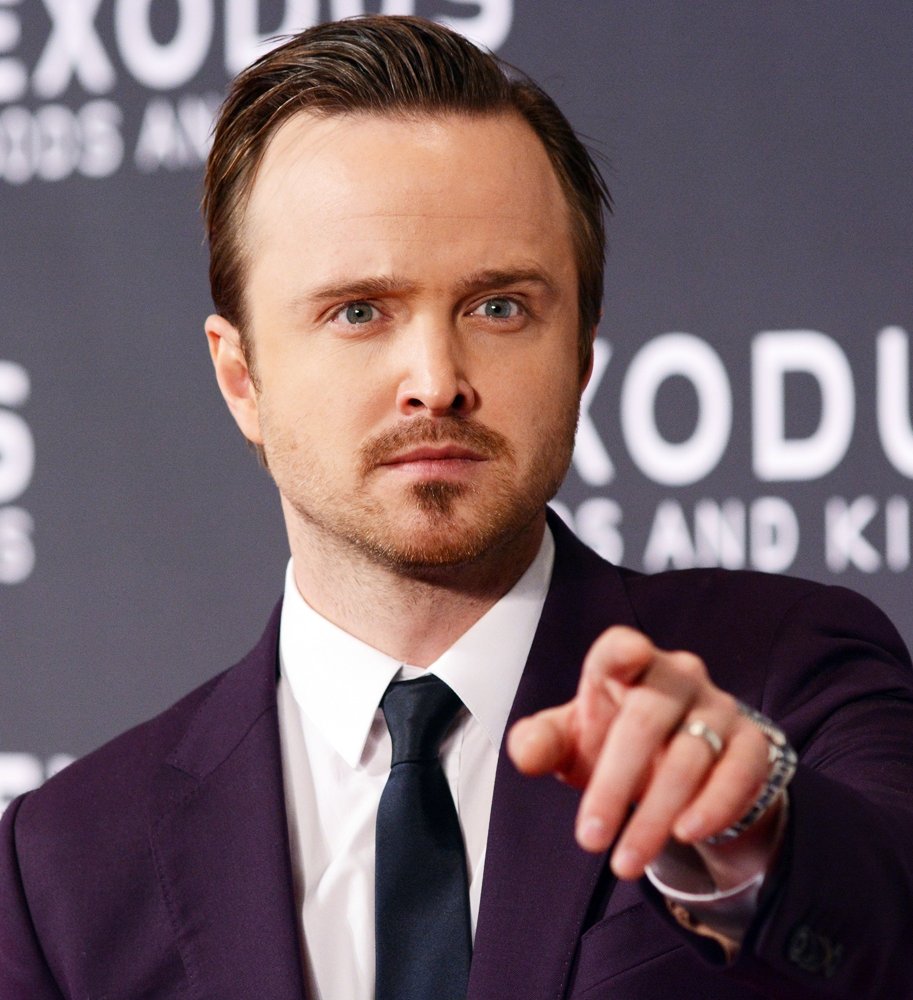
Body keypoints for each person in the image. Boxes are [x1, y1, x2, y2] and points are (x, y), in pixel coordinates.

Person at [1, 15, 911, 1000]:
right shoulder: (61, 870)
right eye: (359, 311)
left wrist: (751, 833)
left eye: (499, 308)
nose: (436, 380)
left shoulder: (790, 670)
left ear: (582, 356)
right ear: (240, 377)